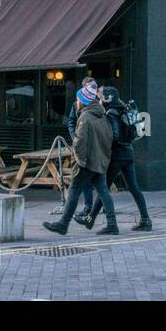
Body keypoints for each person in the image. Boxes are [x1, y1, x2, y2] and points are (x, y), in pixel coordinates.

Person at [43, 82, 118, 236]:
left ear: (83, 100)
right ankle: (112, 224)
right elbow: (108, 138)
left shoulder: (85, 117)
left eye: (78, 99)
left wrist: (79, 161)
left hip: (87, 162)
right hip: (99, 161)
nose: (76, 102)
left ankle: (63, 224)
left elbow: (79, 142)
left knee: (74, 191)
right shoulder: (102, 116)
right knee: (103, 191)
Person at [81, 87, 151, 232]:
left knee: (103, 187)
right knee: (134, 188)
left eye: (101, 97)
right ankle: (146, 220)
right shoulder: (123, 108)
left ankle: (97, 221)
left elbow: (115, 135)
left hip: (117, 156)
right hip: (129, 153)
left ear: (108, 98)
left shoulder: (111, 112)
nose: (99, 100)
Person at [65, 77, 97, 223]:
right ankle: (89, 207)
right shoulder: (76, 105)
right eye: (88, 87)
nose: (91, 90)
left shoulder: (97, 105)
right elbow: (71, 122)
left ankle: (65, 220)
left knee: (94, 182)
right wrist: (74, 138)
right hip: (80, 145)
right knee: (87, 181)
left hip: (93, 146)